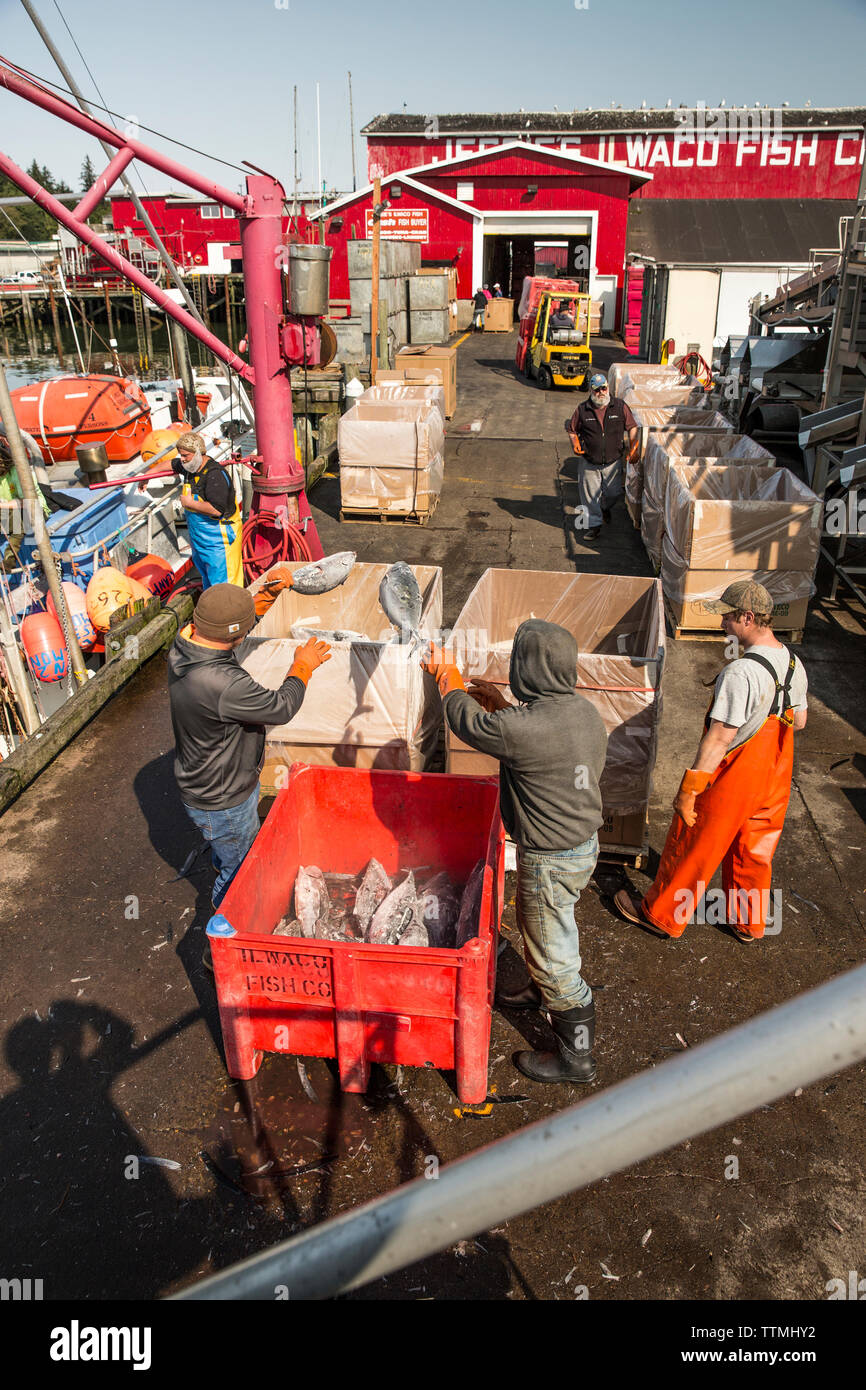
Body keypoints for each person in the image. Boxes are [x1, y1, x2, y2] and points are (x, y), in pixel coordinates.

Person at [423, 620, 608, 1084]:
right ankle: (539, 990)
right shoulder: (582, 712)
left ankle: (576, 1056)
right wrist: (500, 705)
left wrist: (448, 678)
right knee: (543, 924)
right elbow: (529, 735)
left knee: (555, 955)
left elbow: (468, 723)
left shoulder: (524, 729)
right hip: (580, 845)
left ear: (526, 669)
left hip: (549, 858)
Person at [614, 581, 808, 943]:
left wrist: (689, 789)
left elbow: (720, 737)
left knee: (694, 842)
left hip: (734, 777)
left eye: (727, 617)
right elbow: (799, 721)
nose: (721, 624)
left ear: (748, 617)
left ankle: (661, 915)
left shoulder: (741, 672)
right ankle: (748, 923)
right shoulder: (793, 662)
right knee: (754, 850)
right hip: (774, 778)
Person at [167, 583, 331, 948]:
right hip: (224, 798)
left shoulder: (186, 642)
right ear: (237, 635)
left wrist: (262, 601)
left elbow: (226, 628)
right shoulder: (224, 684)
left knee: (229, 845)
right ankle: (225, 934)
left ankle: (223, 854)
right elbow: (280, 707)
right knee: (240, 869)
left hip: (202, 781)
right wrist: (302, 665)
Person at [566, 372, 639, 541]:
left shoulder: (620, 407)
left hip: (613, 461)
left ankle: (604, 508)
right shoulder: (583, 409)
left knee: (614, 493)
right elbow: (572, 429)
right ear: (591, 391)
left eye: (603, 388)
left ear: (608, 388)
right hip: (589, 461)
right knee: (590, 496)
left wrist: (633, 446)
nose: (601, 393)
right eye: (597, 390)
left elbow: (632, 427)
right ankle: (594, 526)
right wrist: (574, 442)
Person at [172, 431, 243, 589]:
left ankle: (230, 613)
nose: (182, 460)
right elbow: (171, 464)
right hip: (201, 542)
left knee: (226, 586)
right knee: (210, 585)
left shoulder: (215, 475)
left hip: (220, 542)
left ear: (198, 453)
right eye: (181, 456)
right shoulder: (189, 467)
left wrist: (189, 503)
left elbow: (216, 509)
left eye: (185, 455)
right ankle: (213, 611)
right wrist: (147, 476)